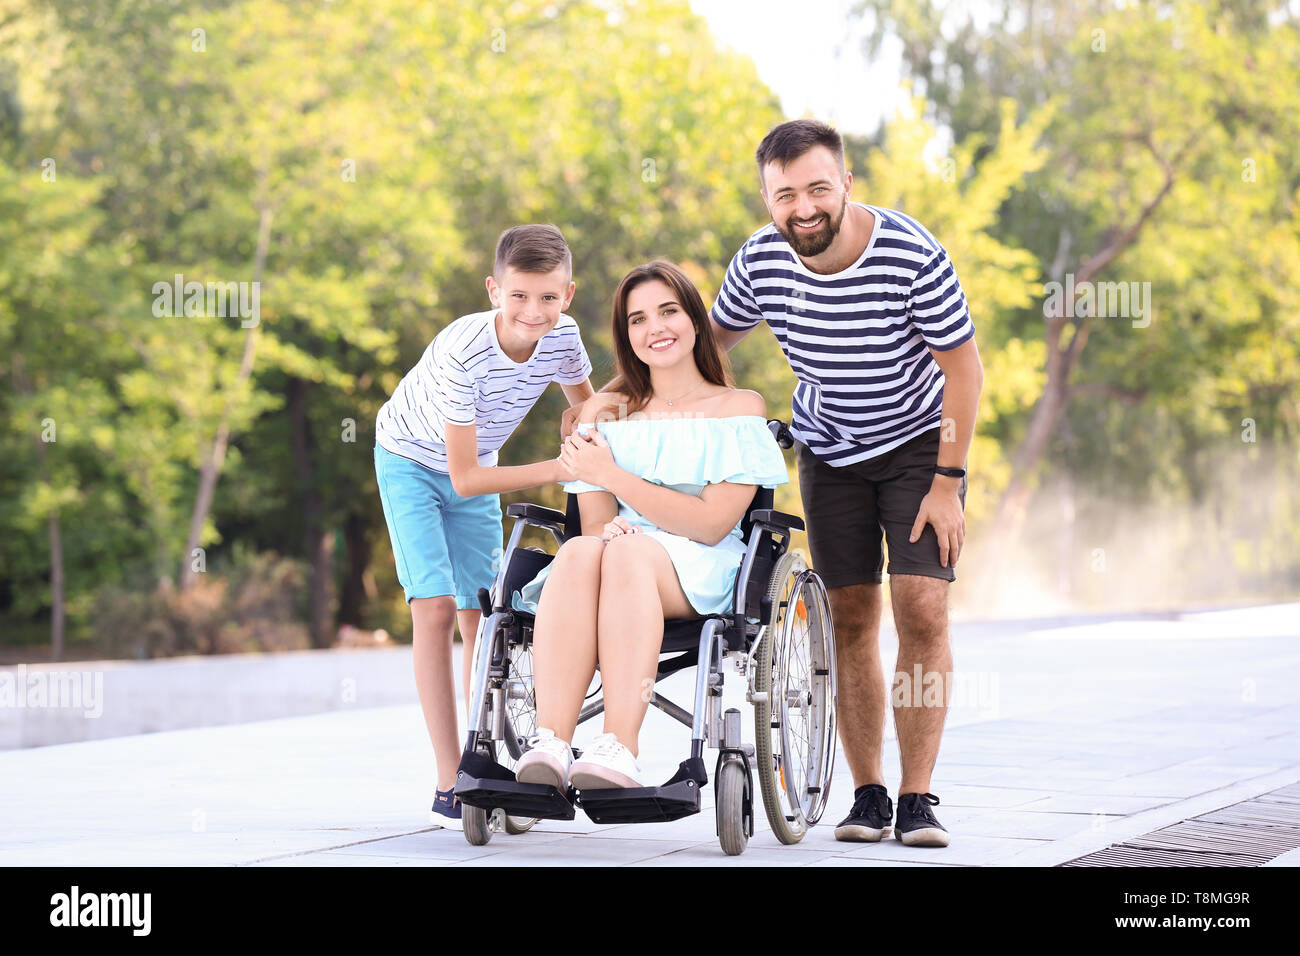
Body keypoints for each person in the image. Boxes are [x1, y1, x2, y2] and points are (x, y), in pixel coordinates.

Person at [709, 119, 984, 847]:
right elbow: (695, 347)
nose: (804, 206)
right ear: (768, 198)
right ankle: (868, 795)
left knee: (922, 609)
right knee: (852, 619)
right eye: (785, 193)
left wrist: (948, 483)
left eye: (818, 188)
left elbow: (964, 370)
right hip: (829, 453)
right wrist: (614, 400)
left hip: (922, 447)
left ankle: (918, 798)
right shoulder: (761, 262)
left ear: (846, 185)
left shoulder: (910, 252)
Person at [512, 260, 787, 791]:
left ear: (696, 322)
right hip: (613, 558)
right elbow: (594, 524)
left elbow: (710, 525)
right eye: (637, 319)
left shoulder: (737, 408)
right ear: (626, 335)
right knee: (577, 551)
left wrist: (613, 476)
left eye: (668, 312)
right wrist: (608, 526)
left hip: (700, 564)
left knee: (628, 553)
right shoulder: (606, 411)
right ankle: (549, 738)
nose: (654, 328)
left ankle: (620, 746)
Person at [373, 224, 594, 828]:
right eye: (520, 295)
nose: (534, 311)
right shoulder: (462, 352)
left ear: (568, 295)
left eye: (548, 297)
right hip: (411, 461)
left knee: (483, 612)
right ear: (495, 289)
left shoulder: (565, 338)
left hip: (480, 460)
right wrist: (558, 465)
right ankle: (451, 775)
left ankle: (486, 751)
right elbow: (464, 478)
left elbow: (584, 408)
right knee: (437, 608)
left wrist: (598, 438)